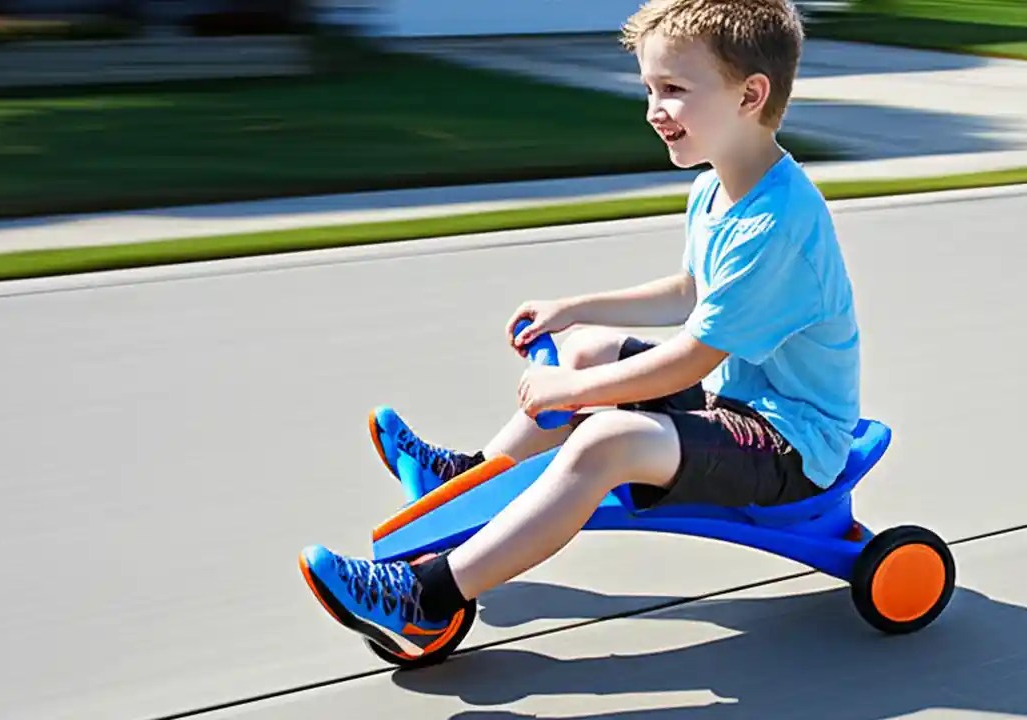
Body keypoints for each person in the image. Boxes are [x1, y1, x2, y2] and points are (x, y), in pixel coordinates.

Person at [299, 0, 861, 661]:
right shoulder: (717, 192)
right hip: (737, 407)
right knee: (587, 347)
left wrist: (574, 393)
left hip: (793, 447)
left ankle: (427, 600)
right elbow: (689, 293)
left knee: (606, 440)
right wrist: (574, 309)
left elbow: (690, 358)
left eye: (674, 90)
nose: (653, 108)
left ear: (750, 95)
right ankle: (468, 481)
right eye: (650, 88)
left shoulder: (775, 225)